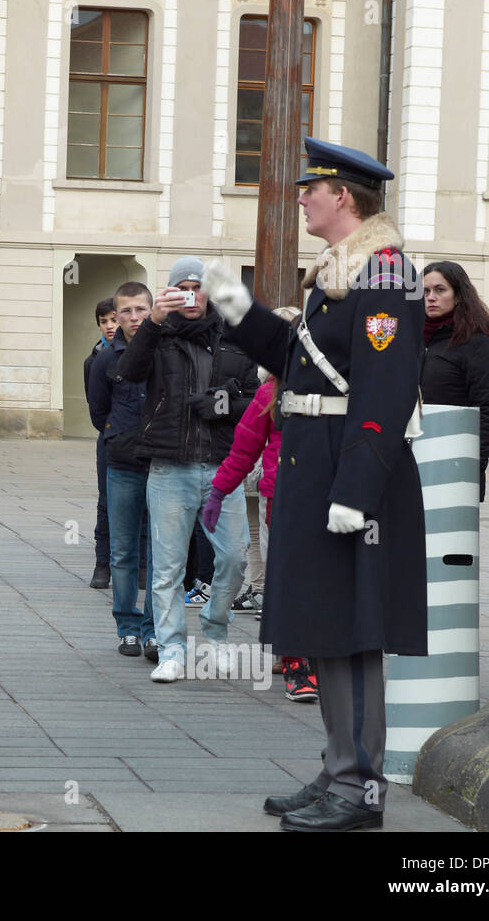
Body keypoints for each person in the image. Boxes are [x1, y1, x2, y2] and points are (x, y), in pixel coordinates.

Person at [206, 136, 426, 831]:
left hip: (351, 474)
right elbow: (294, 363)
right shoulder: (338, 272)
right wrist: (236, 308)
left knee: (354, 632)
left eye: (312, 189)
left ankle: (361, 788)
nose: (300, 198)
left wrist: (356, 491)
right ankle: (338, 768)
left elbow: (385, 394)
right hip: (314, 462)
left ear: (344, 199)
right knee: (327, 628)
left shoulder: (386, 274)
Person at [117, 257, 257, 684]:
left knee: (233, 557)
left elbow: (255, 397)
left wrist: (222, 405)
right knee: (167, 566)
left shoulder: (233, 337)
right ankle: (172, 648)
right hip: (169, 468)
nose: (191, 295)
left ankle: (215, 634)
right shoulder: (158, 336)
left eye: (198, 287)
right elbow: (127, 372)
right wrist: (154, 322)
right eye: (182, 288)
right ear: (170, 293)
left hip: (221, 468)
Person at [202, 307, 314, 700]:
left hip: (330, 502)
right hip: (280, 502)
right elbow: (244, 449)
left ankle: (310, 652)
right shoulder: (271, 393)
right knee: (286, 580)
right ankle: (295, 659)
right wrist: (218, 491)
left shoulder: (343, 391)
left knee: (319, 582)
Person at [87, 283, 158, 661]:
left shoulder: (164, 351)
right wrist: (118, 437)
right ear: (116, 315)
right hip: (123, 465)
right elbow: (99, 413)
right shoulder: (104, 359)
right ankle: (127, 627)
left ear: (152, 310)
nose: (133, 318)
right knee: (123, 551)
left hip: (162, 463)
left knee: (160, 552)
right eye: (125, 312)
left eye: (140, 310)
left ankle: (152, 630)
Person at [420, 261, 489, 501]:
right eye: (425, 291)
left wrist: (472, 468)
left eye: (440, 290)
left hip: (454, 464)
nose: (431, 297)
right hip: (413, 460)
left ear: (458, 295)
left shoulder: (476, 342)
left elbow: (486, 409)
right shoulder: (416, 339)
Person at [86, 298, 119, 589]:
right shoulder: (94, 360)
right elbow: (96, 408)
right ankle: (102, 563)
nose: (109, 326)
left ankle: (142, 564)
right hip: (109, 440)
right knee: (106, 503)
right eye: (104, 321)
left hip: (143, 441)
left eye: (113, 319)